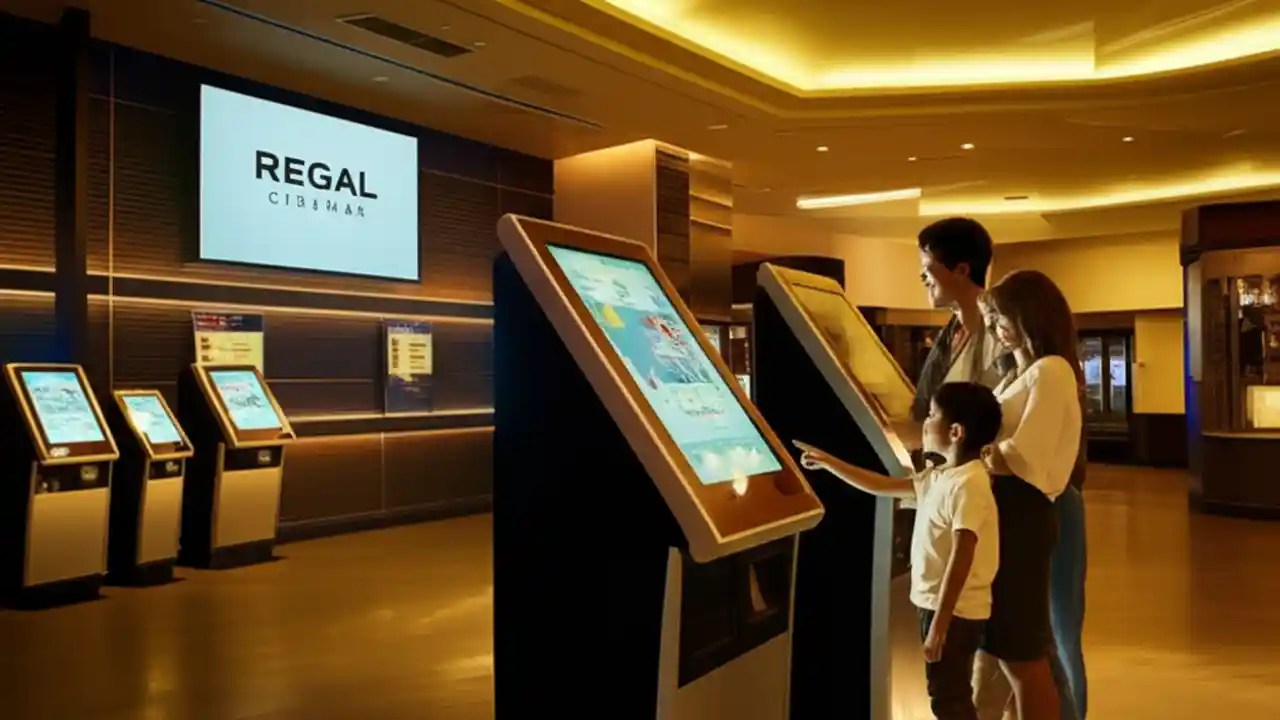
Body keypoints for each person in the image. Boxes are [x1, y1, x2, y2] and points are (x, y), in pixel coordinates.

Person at [796, 381, 1002, 720]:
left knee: (948, 698)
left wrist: (940, 624)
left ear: (955, 431)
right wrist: (830, 463)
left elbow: (963, 552)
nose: (925, 422)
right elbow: (883, 485)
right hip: (937, 607)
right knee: (945, 693)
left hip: (955, 612)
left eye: (932, 415)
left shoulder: (970, 483)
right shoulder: (939, 477)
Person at [971, 270, 1084, 720]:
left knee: (1027, 647)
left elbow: (1024, 455)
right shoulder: (1021, 373)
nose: (996, 326)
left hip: (1025, 518)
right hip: (1005, 517)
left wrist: (976, 453)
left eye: (1001, 316)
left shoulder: (1050, 371)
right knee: (1002, 647)